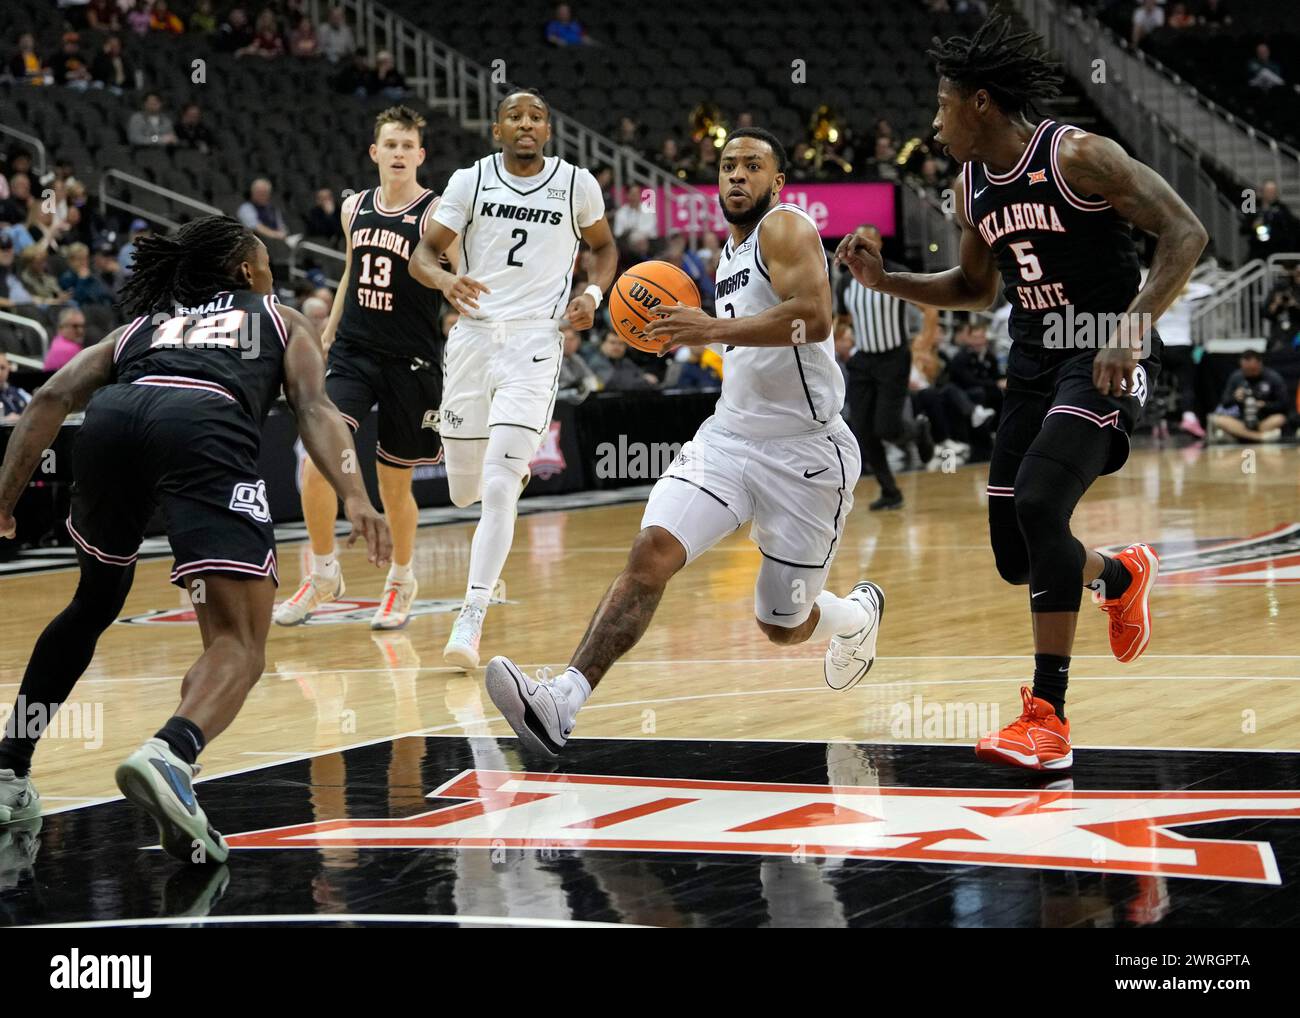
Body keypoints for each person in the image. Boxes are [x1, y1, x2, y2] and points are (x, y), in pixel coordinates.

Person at [837, 15, 1207, 770]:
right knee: (1017, 554)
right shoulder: (971, 188)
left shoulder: (1078, 155)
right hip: (1035, 357)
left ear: (978, 104)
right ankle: (1119, 572)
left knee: (1042, 506)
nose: (934, 125)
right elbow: (974, 289)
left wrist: (1131, 329)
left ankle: (1047, 717)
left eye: (942, 107)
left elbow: (1186, 231)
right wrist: (888, 281)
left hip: (1104, 347)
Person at [484, 126, 884, 756]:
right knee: (651, 551)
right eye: (728, 165)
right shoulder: (723, 255)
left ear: (777, 182)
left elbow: (813, 319)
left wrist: (708, 326)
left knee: (782, 625)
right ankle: (563, 698)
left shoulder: (786, 228)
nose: (737, 175)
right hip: (728, 436)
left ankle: (856, 615)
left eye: (754, 166)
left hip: (808, 453)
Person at [0, 216, 390, 856]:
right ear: (245, 271)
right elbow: (316, 409)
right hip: (202, 423)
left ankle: (9, 766)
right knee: (239, 642)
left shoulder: (144, 326)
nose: (270, 271)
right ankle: (172, 756)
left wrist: (4, 502)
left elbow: (49, 396)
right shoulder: (280, 316)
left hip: (113, 422)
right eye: (264, 260)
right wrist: (354, 493)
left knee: (92, 604)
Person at [409, 89, 618, 667]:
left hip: (534, 339)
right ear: (497, 129)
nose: (526, 124)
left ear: (547, 129)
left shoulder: (577, 184)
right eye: (514, 117)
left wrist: (593, 293)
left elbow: (603, 249)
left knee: (498, 485)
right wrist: (445, 282)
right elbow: (422, 256)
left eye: (536, 117)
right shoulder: (470, 181)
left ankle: (469, 619)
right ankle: (507, 467)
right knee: (461, 489)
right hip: (474, 339)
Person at [274, 106, 445, 631]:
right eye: (388, 144)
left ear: (420, 155)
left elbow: (456, 275)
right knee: (318, 461)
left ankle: (400, 580)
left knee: (395, 486)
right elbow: (351, 269)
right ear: (375, 153)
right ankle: (323, 573)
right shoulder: (354, 208)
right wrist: (327, 333)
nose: (397, 153)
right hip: (353, 351)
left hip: (411, 359)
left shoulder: (439, 214)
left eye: (406, 146)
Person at [839, 223, 935, 510]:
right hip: (863, 360)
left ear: (879, 243)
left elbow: (929, 308)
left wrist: (923, 345)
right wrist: (840, 335)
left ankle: (917, 430)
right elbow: (843, 319)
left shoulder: (895, 273)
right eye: (858, 241)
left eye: (869, 240)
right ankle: (890, 491)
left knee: (886, 427)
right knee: (863, 430)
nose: (863, 246)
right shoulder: (846, 280)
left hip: (893, 358)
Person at [1208, 350, 1289, 442]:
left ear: (1259, 364)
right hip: (1241, 422)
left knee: (1280, 419)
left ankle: (1240, 435)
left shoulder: (1273, 377)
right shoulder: (1236, 377)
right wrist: (1235, 397)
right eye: (1245, 370)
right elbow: (1224, 402)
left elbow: (1283, 404)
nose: (1248, 373)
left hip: (1263, 421)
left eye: (1252, 369)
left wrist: (1264, 405)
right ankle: (1260, 437)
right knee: (1218, 420)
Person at [0, 351, 31, 421]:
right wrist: (4, 421)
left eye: (2, 368)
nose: (0, 373)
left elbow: (36, 410)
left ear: (9, 369)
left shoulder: (19, 392)